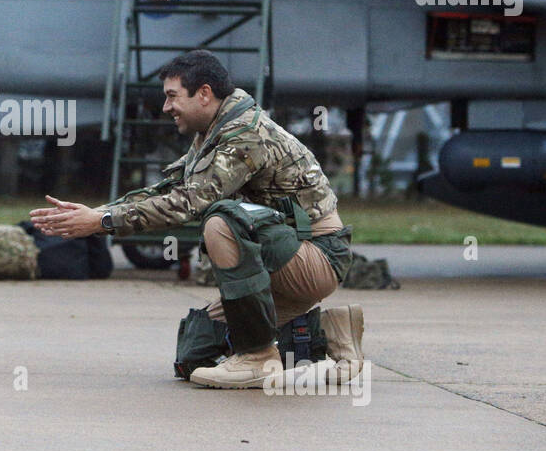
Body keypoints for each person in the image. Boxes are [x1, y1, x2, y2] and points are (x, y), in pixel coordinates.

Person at [30, 49, 365, 389]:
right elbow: (175, 187)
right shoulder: (214, 131)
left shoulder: (243, 135)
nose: (166, 107)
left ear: (204, 93)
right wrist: (98, 214)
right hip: (284, 254)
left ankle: (258, 357)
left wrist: (102, 223)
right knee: (194, 354)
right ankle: (330, 333)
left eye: (172, 96)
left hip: (315, 255)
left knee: (222, 221)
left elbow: (188, 202)